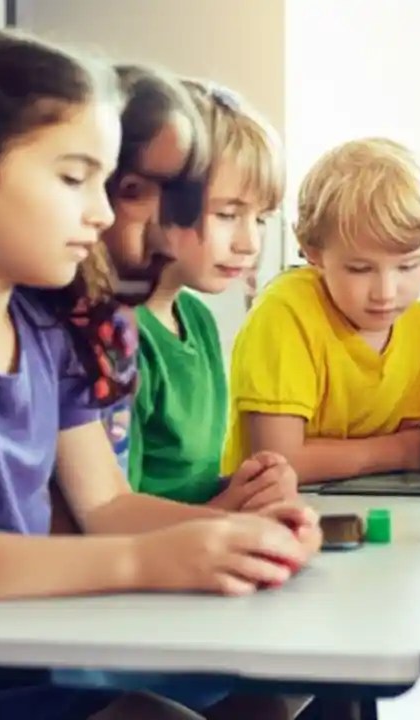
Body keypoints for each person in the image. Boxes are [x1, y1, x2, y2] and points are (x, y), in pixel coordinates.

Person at [0, 27, 319, 719]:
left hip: (32, 666)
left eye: (106, 184)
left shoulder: (46, 334)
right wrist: (146, 560)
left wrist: (234, 538)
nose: (102, 212)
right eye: (74, 178)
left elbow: (106, 505)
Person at [223, 138, 420, 483]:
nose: (386, 293)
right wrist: (400, 452)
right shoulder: (285, 314)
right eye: (359, 269)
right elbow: (279, 462)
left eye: (408, 266)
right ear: (313, 251)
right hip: (275, 509)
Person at [130, 79, 297, 511]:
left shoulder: (197, 319)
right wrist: (227, 511)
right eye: (227, 214)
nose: (249, 243)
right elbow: (113, 517)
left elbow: (186, 487)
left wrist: (250, 487)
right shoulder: (124, 337)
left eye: (261, 219)